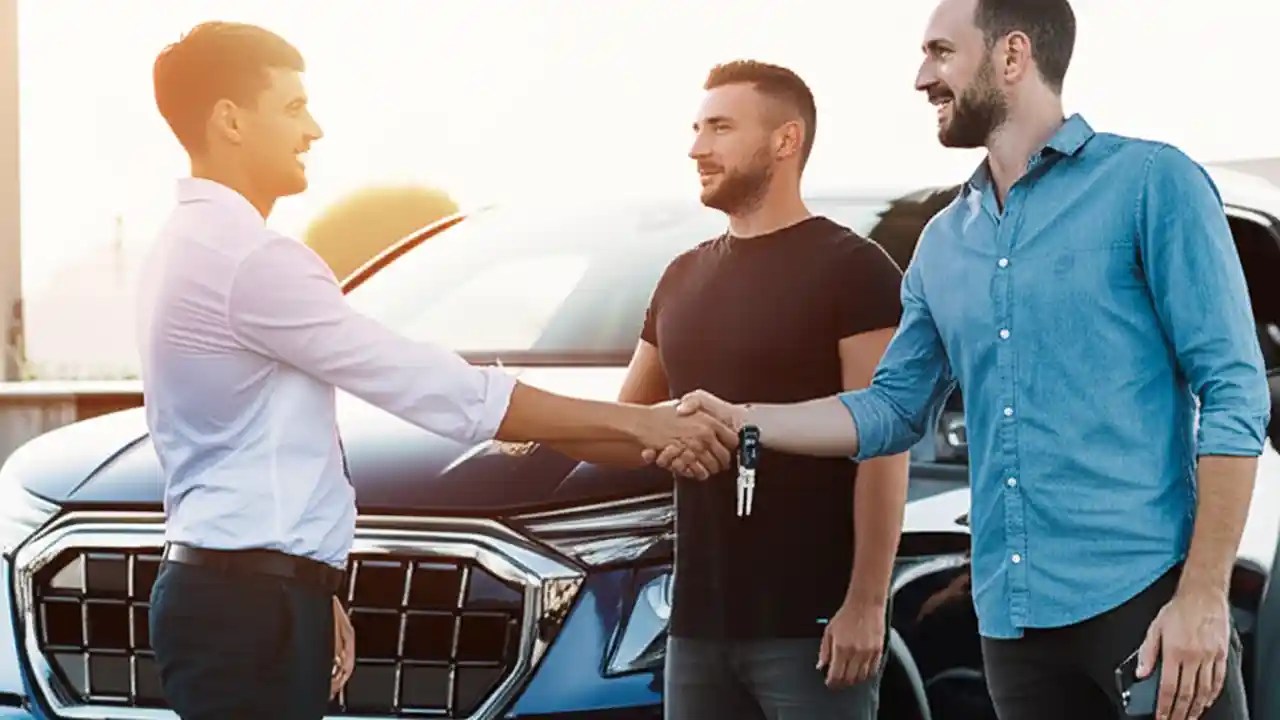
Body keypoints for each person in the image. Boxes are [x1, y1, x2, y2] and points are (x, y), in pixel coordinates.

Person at [662, 1, 1270, 719]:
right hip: (1012, 627)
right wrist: (744, 420)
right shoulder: (945, 242)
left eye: (941, 52)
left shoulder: (1150, 184)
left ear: (1012, 56)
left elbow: (1234, 389)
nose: (923, 76)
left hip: (1147, 604)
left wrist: (1202, 594)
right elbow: (890, 409)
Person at [137, 22, 735, 720]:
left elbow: (254, 442)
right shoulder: (254, 260)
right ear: (230, 120)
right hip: (251, 609)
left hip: (235, 593)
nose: (314, 131)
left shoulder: (180, 246)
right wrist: (641, 421)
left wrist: (314, 582)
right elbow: (432, 387)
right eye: (294, 108)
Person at [563, 60, 910, 719]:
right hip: (694, 627)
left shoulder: (855, 271)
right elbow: (624, 431)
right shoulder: (681, 276)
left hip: (811, 628)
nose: (697, 147)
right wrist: (518, 422)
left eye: (720, 127)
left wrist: (866, 603)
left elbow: (885, 441)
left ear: (786, 140)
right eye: (697, 128)